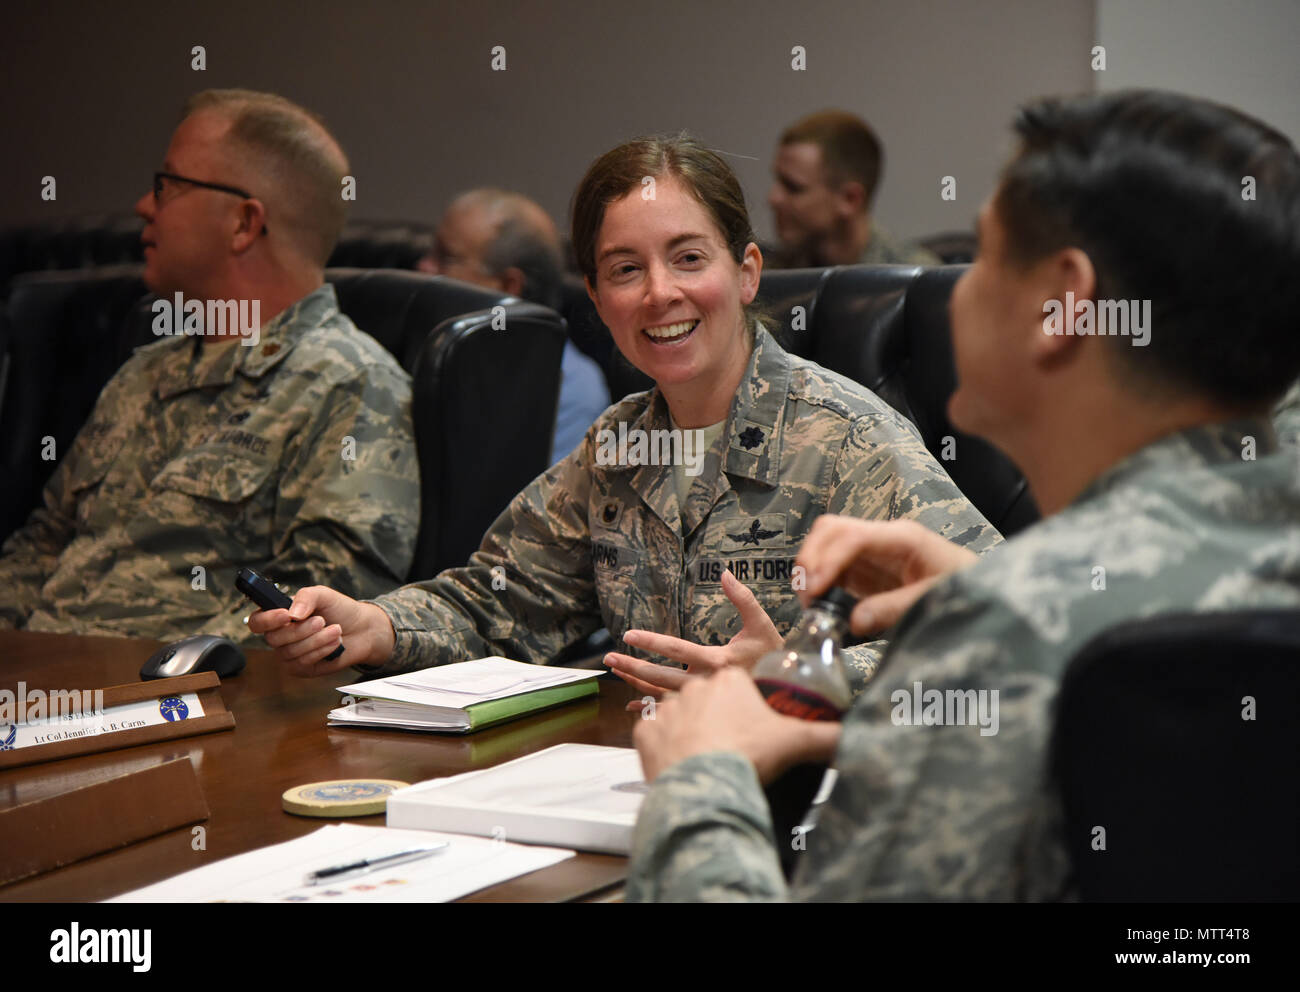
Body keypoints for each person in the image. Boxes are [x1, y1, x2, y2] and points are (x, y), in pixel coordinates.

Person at [626, 89, 1300, 901]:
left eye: (981, 258)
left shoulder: (1004, 628)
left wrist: (702, 785)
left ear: (1064, 305)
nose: (956, 290)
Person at [249, 135, 998, 683]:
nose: (659, 294)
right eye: (625, 270)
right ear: (598, 300)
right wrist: (376, 623)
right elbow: (499, 603)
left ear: (745, 274)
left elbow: (992, 624)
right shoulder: (618, 447)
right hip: (626, 787)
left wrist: (798, 676)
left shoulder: (844, 437)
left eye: (689, 258)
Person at [0, 89, 419, 645]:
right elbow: (44, 541)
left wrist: (159, 681)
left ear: (244, 223)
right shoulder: (146, 371)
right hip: (41, 689)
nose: (143, 206)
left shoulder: (349, 382)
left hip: (174, 705)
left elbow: (309, 613)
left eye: (167, 186)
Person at [416, 188, 609, 463]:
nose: (423, 266)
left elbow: (548, 503)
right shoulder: (423, 346)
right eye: (430, 252)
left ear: (508, 287)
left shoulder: (570, 390)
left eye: (445, 258)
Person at [767, 109, 939, 269]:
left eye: (793, 188)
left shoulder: (913, 281)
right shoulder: (767, 275)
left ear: (850, 199)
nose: (773, 198)